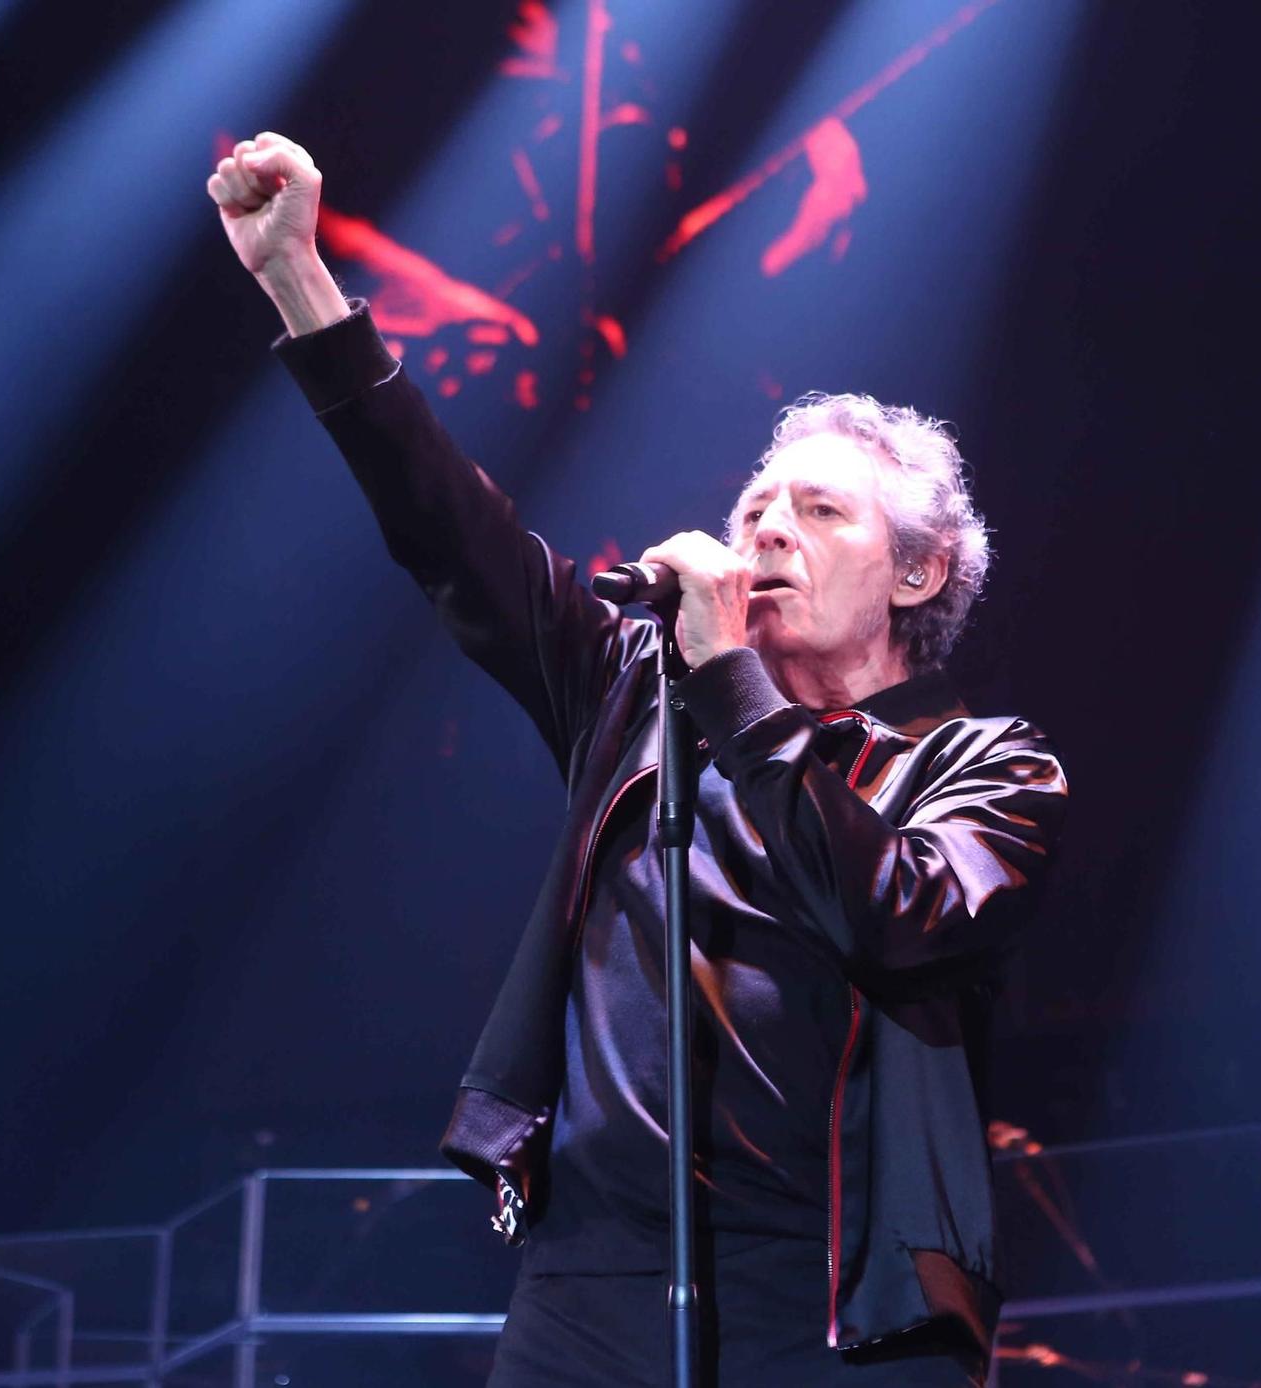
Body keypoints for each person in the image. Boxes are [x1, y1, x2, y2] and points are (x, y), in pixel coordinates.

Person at [207, 132, 1069, 1387]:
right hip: (590, 1284)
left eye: (819, 511)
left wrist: (732, 680)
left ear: (917, 571)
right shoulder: (635, 690)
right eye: (754, 508)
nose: (767, 530)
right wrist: (297, 278)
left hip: (840, 1301)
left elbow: (895, 917)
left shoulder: (988, 768)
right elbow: (451, 532)